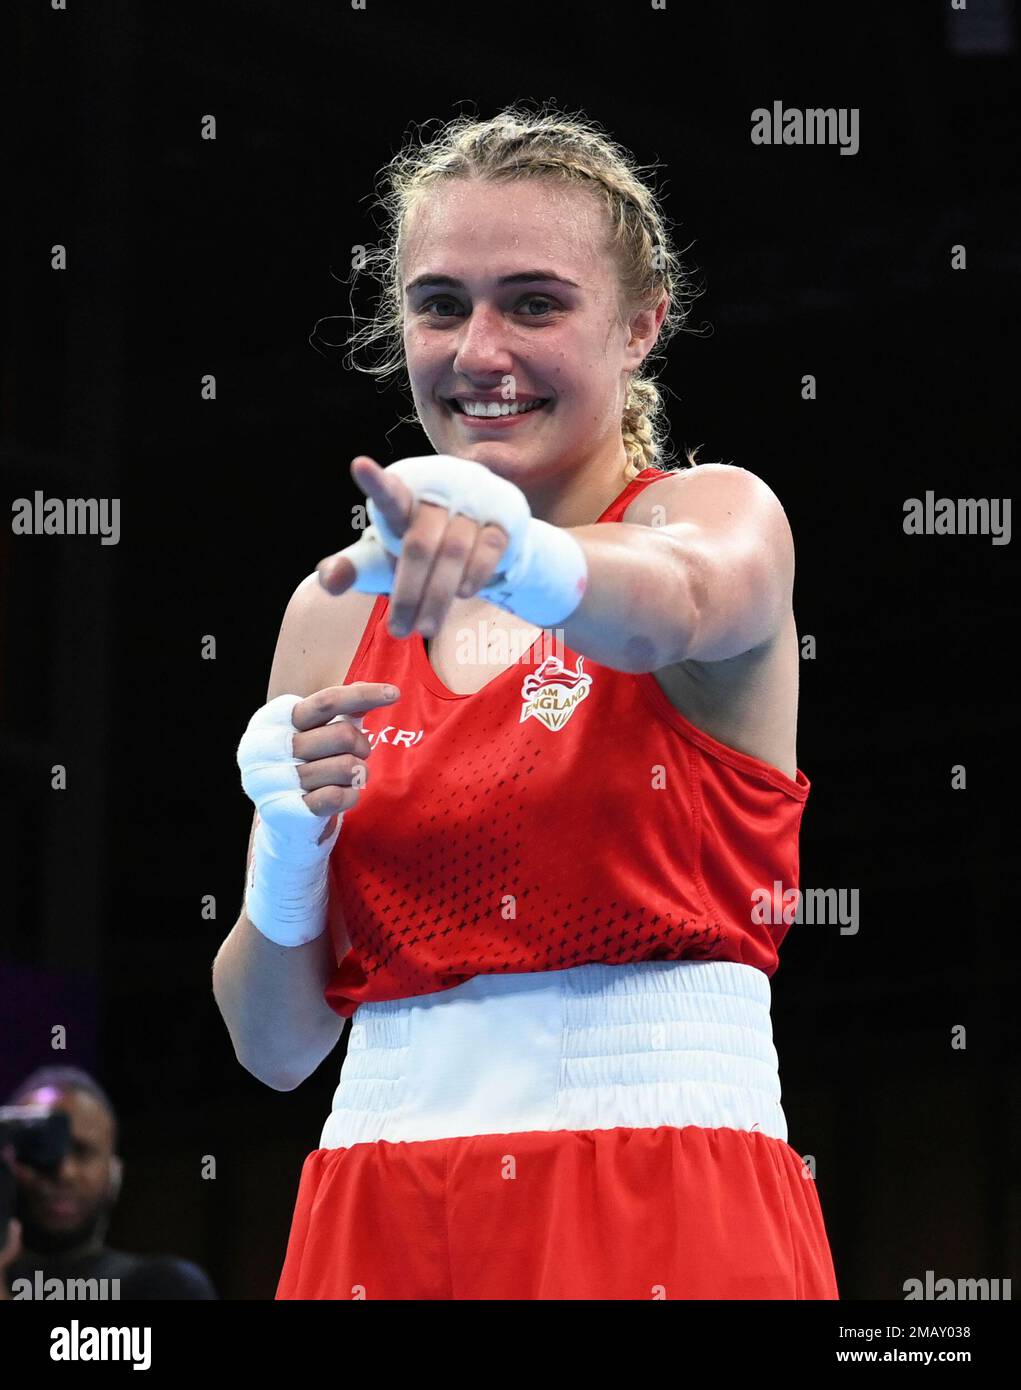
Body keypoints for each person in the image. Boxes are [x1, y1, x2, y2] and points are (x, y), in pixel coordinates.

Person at [213, 103, 840, 1300]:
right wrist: (289, 859)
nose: (479, 350)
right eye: (441, 304)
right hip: (375, 1197)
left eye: (534, 304)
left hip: (658, 1186)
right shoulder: (336, 612)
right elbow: (275, 1048)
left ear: (641, 324)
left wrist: (517, 556)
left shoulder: (717, 517)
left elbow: (675, 601)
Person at [0, 1066, 217, 1300]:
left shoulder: (165, 1286)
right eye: (41, 1150)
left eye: (82, 1152)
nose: (64, 1172)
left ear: (115, 1173)